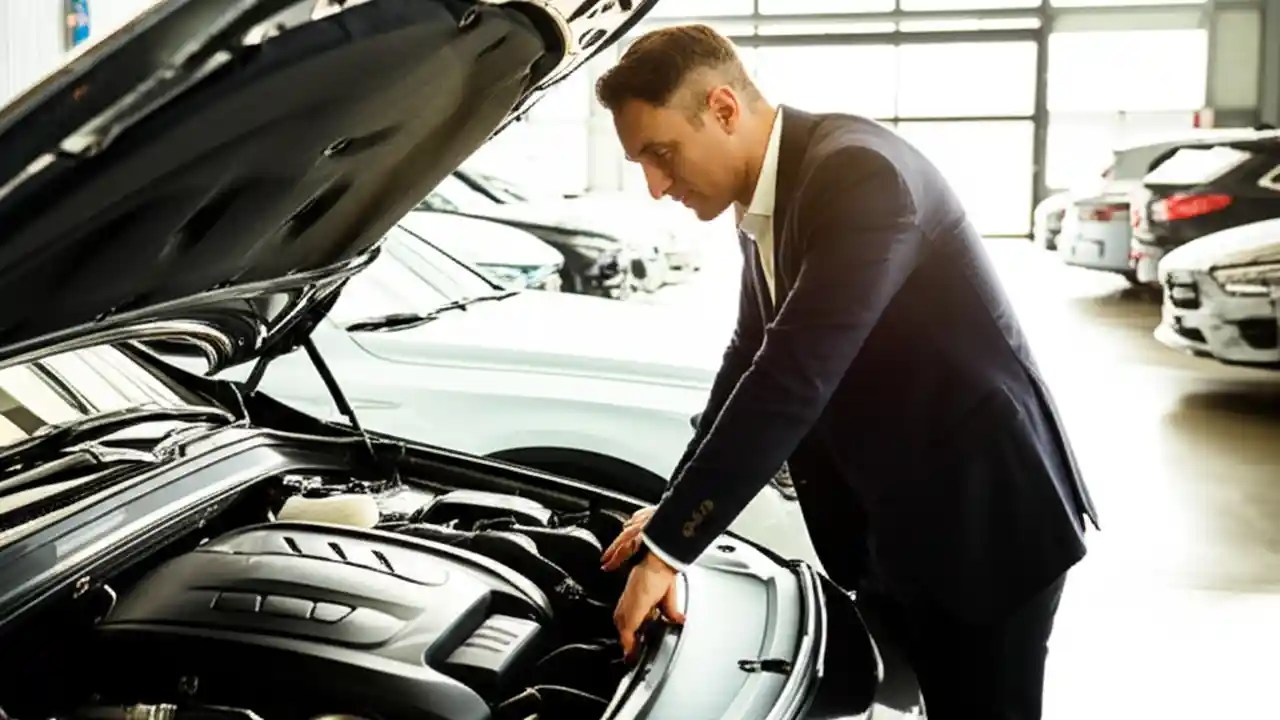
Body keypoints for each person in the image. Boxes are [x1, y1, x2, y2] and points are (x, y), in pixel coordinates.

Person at [592, 24, 1100, 720]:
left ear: (723, 109)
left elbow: (794, 375)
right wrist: (670, 514)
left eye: (661, 153)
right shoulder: (773, 194)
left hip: (984, 523)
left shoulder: (859, 176)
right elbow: (748, 359)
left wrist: (672, 552)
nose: (654, 185)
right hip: (898, 523)